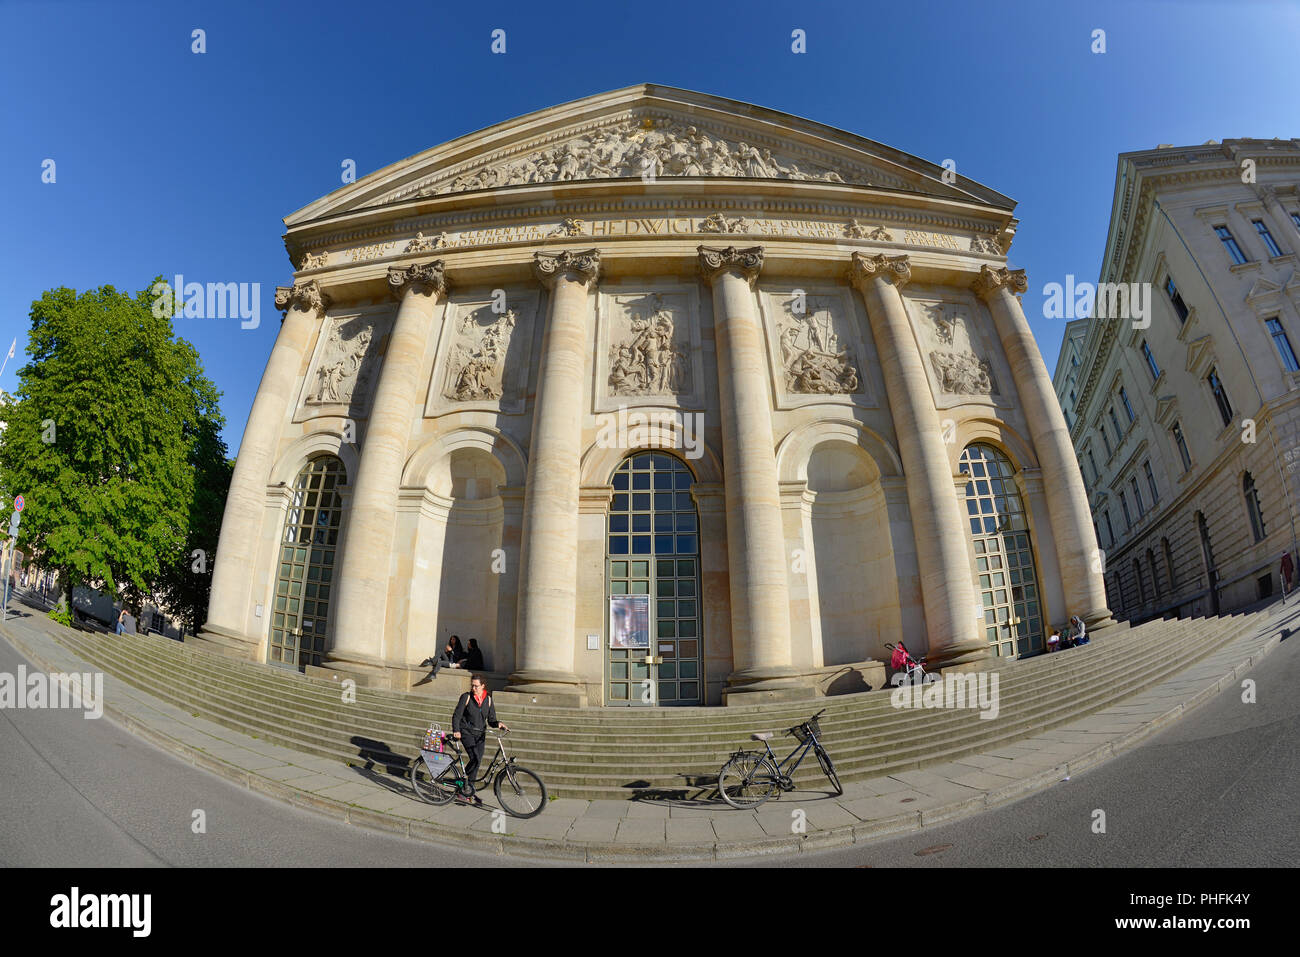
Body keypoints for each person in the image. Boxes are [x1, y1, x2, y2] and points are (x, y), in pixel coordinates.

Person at [450, 675, 507, 805]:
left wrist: (498, 723)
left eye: (476, 685)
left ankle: (468, 790)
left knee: (477, 760)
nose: (473, 688)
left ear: (483, 686)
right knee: (475, 757)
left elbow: (491, 719)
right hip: (466, 732)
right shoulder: (467, 697)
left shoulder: (488, 700)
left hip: (480, 734)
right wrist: (456, 730)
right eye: (472, 685)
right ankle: (463, 785)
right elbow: (457, 715)